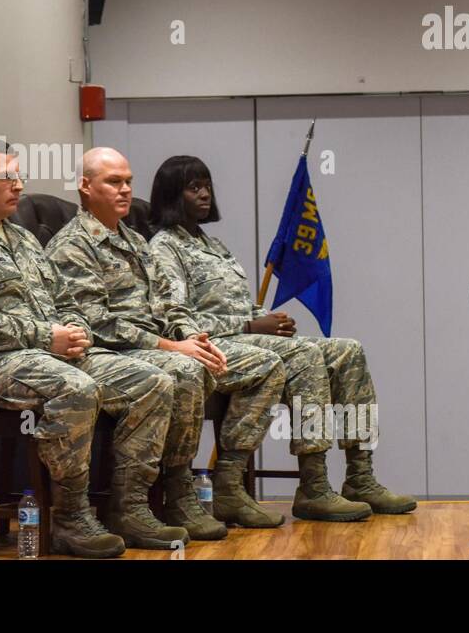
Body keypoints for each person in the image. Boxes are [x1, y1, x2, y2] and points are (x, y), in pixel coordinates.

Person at [0, 138, 187, 557]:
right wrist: (48, 337)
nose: (18, 185)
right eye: (6, 177)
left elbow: (65, 301)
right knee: (74, 389)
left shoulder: (24, 239)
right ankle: (69, 517)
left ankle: (129, 507)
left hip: (53, 354)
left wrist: (76, 333)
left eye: (18, 175)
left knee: (152, 381)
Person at [148, 154, 416, 518]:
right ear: (170, 195)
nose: (205, 194)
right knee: (304, 356)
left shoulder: (214, 246)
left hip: (244, 336)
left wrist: (267, 319)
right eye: (193, 187)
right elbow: (175, 319)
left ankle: (360, 474)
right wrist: (248, 326)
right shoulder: (164, 247)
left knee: (348, 351)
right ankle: (314, 483)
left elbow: (241, 304)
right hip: (211, 347)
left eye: (207, 185)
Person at [47, 147, 288, 531]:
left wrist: (195, 337)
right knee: (184, 369)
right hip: (110, 352)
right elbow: (96, 323)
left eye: (128, 182)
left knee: (242, 361)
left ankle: (212, 487)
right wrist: (172, 346)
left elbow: (168, 305)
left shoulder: (135, 241)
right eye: (113, 182)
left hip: (155, 348)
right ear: (85, 186)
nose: (125, 190)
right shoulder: (72, 245)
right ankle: (150, 499)